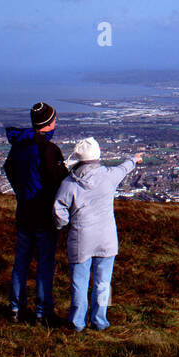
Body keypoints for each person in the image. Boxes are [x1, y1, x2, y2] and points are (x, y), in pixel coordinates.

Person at [52, 137, 141, 332]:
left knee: (79, 283)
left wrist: (64, 225)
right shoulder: (109, 176)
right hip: (106, 238)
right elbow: (124, 168)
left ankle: (77, 322)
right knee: (103, 283)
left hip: (80, 238)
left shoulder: (69, 183)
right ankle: (100, 320)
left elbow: (58, 209)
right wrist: (134, 159)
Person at [2, 101, 70, 325]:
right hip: (43, 215)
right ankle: (43, 311)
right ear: (49, 123)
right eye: (54, 120)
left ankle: (16, 308)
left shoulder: (19, 146)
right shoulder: (49, 150)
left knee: (21, 261)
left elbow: (9, 168)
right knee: (44, 263)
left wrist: (21, 191)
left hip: (24, 212)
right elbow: (59, 181)